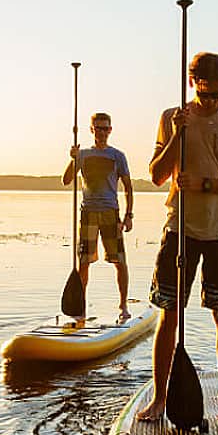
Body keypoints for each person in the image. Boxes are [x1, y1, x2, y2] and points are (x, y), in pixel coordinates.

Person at [138, 52, 218, 423]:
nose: (209, 100)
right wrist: (179, 133)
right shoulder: (172, 118)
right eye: (204, 91)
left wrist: (206, 184)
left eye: (216, 94)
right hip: (180, 230)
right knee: (169, 314)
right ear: (193, 83)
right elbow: (158, 175)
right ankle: (160, 398)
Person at [62, 112, 134, 322]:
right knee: (83, 262)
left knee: (119, 261)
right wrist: (72, 159)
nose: (102, 132)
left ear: (110, 130)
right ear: (92, 130)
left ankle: (123, 305)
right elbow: (66, 180)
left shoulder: (117, 156)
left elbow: (128, 187)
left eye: (106, 128)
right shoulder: (83, 155)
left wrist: (129, 215)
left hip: (111, 213)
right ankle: (81, 308)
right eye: (98, 128)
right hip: (88, 214)